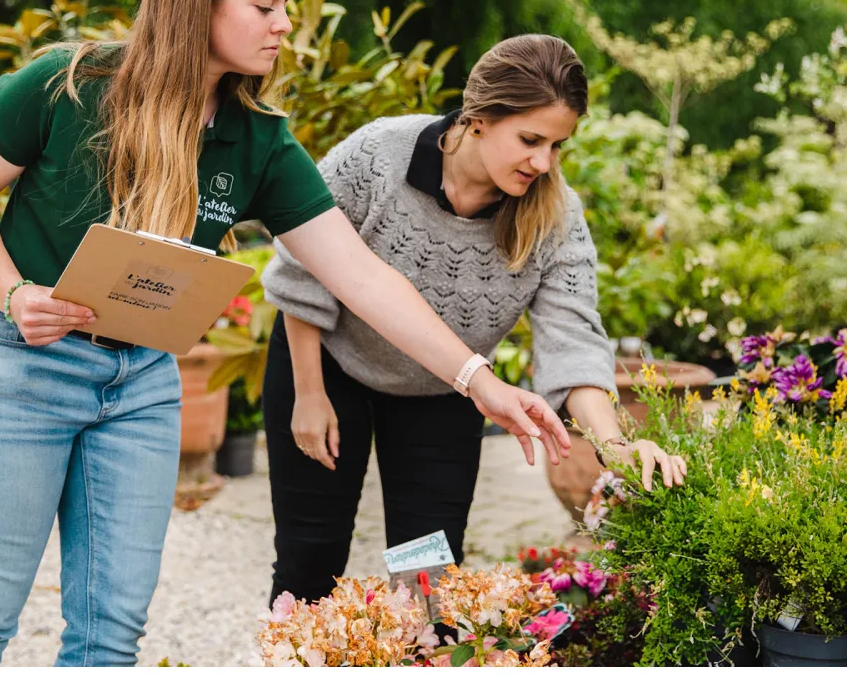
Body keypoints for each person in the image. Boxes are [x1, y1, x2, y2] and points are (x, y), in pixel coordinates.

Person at [0, 0, 569, 668]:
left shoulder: (258, 140)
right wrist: (15, 292)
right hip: (15, 367)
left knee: (110, 635)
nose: (286, 24)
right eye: (266, 4)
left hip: (140, 382)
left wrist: (480, 380)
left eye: (286, 4)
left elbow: (361, 276)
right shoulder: (64, 86)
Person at [260, 34, 689, 605]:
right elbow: (300, 268)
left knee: (428, 580)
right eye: (531, 140)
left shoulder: (555, 217)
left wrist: (616, 446)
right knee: (311, 558)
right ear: (479, 118)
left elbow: (574, 339)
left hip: (448, 393)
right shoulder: (377, 156)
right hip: (327, 369)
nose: (544, 163)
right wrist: (309, 393)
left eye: (558, 145)